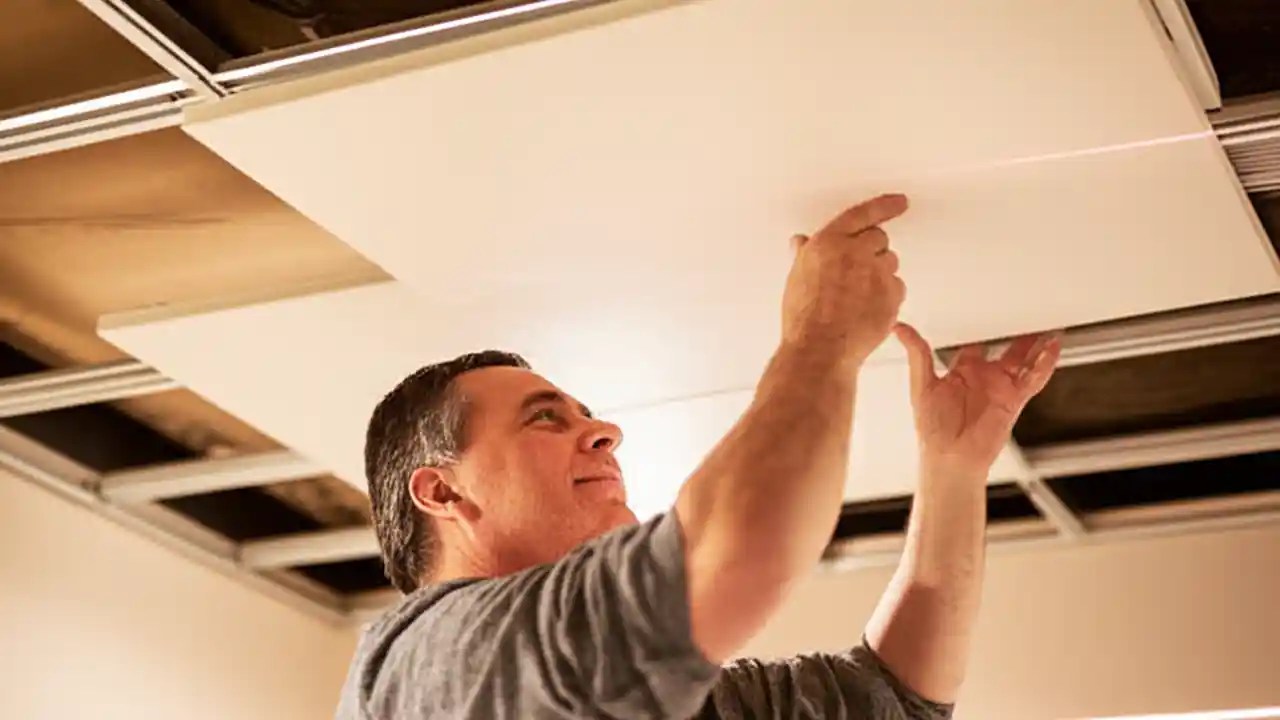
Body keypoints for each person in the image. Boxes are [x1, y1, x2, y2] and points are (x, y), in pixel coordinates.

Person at [336, 193, 1062, 719]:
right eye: (544, 419)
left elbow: (892, 700)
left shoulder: (666, 697)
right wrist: (821, 337)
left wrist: (954, 468)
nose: (605, 432)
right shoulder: (428, 669)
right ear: (441, 492)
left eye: (585, 415)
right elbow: (740, 551)